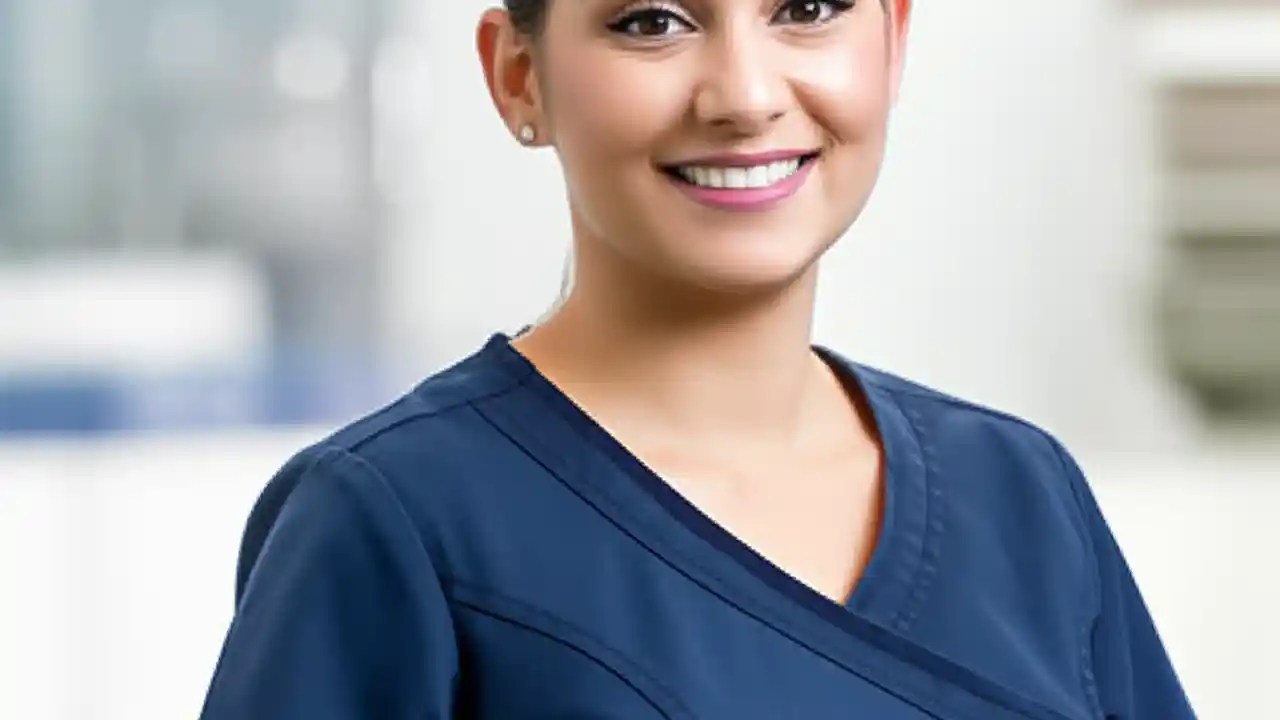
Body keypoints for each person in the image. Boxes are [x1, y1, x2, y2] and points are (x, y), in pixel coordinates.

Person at [198, 1, 1195, 718]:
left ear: (891, 41)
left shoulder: (1021, 498)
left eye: (805, 9)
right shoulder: (394, 519)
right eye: (651, 22)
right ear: (517, 75)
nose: (744, 96)